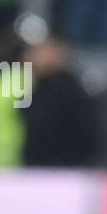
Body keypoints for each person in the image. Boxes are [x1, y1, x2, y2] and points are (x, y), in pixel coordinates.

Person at [21, 35, 100, 168]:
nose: (31, 57)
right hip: (34, 171)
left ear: (58, 52)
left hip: (66, 173)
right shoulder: (33, 88)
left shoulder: (74, 93)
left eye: (39, 51)